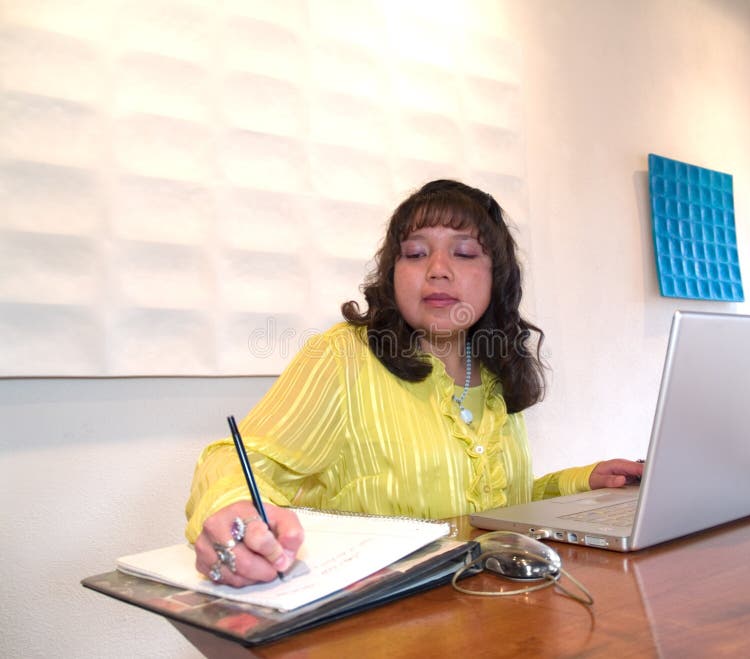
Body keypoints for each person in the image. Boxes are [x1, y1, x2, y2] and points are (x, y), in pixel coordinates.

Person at [185, 179, 643, 587]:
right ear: (392, 273)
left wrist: (583, 481)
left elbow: (493, 505)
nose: (438, 268)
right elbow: (236, 458)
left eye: (464, 253)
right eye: (416, 253)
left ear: (496, 277)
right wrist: (232, 507)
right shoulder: (343, 355)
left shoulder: (489, 372)